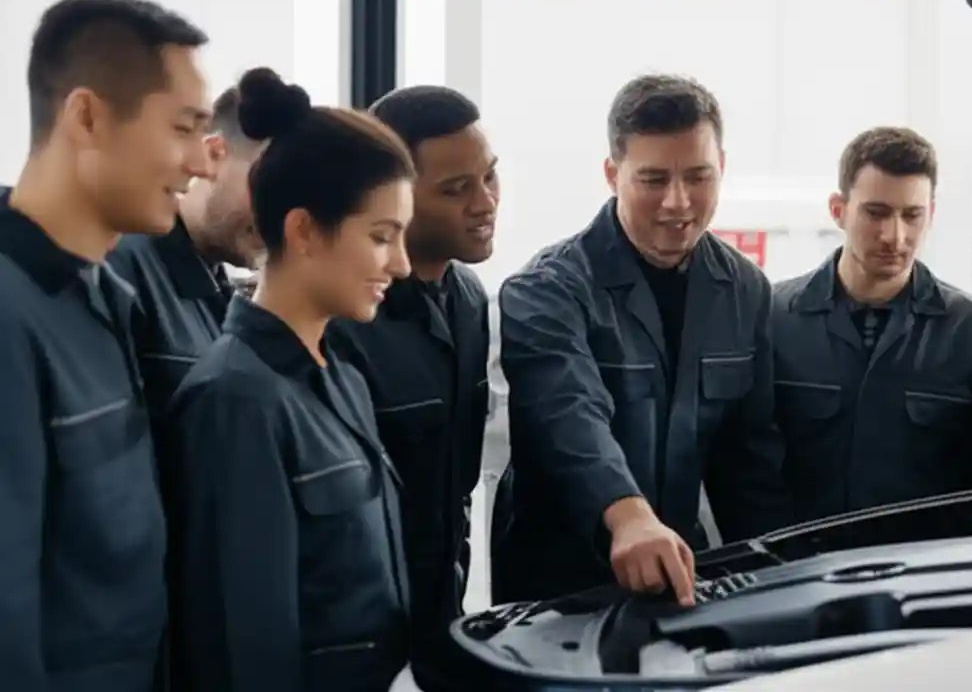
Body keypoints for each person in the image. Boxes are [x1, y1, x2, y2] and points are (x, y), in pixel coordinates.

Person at [493, 73, 791, 606]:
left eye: (698, 177)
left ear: (721, 167)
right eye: (653, 180)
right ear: (612, 174)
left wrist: (778, 584)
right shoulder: (547, 290)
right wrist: (627, 515)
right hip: (559, 583)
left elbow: (750, 467)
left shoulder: (745, 290)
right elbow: (567, 413)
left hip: (678, 572)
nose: (678, 203)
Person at [166, 67, 415, 692]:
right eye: (381, 237)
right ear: (304, 230)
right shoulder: (234, 401)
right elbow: (242, 651)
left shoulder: (342, 379)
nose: (402, 264)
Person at [0, 0, 210, 691]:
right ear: (86, 116)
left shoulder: (110, 296)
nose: (201, 165)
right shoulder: (9, 316)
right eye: (183, 129)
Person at [327, 85, 496, 690]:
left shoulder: (471, 300)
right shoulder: (346, 322)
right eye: (457, 190)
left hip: (443, 618)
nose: (486, 203)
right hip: (362, 637)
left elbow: (457, 493)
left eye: (490, 177)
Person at [772, 126, 972, 524]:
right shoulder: (774, 318)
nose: (894, 236)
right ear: (838, 210)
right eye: (876, 213)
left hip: (922, 574)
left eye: (911, 215)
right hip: (797, 572)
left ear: (930, 214)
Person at [109, 84, 265, 420]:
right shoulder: (120, 271)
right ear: (214, 154)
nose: (279, 216)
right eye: (267, 187)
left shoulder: (226, 296)